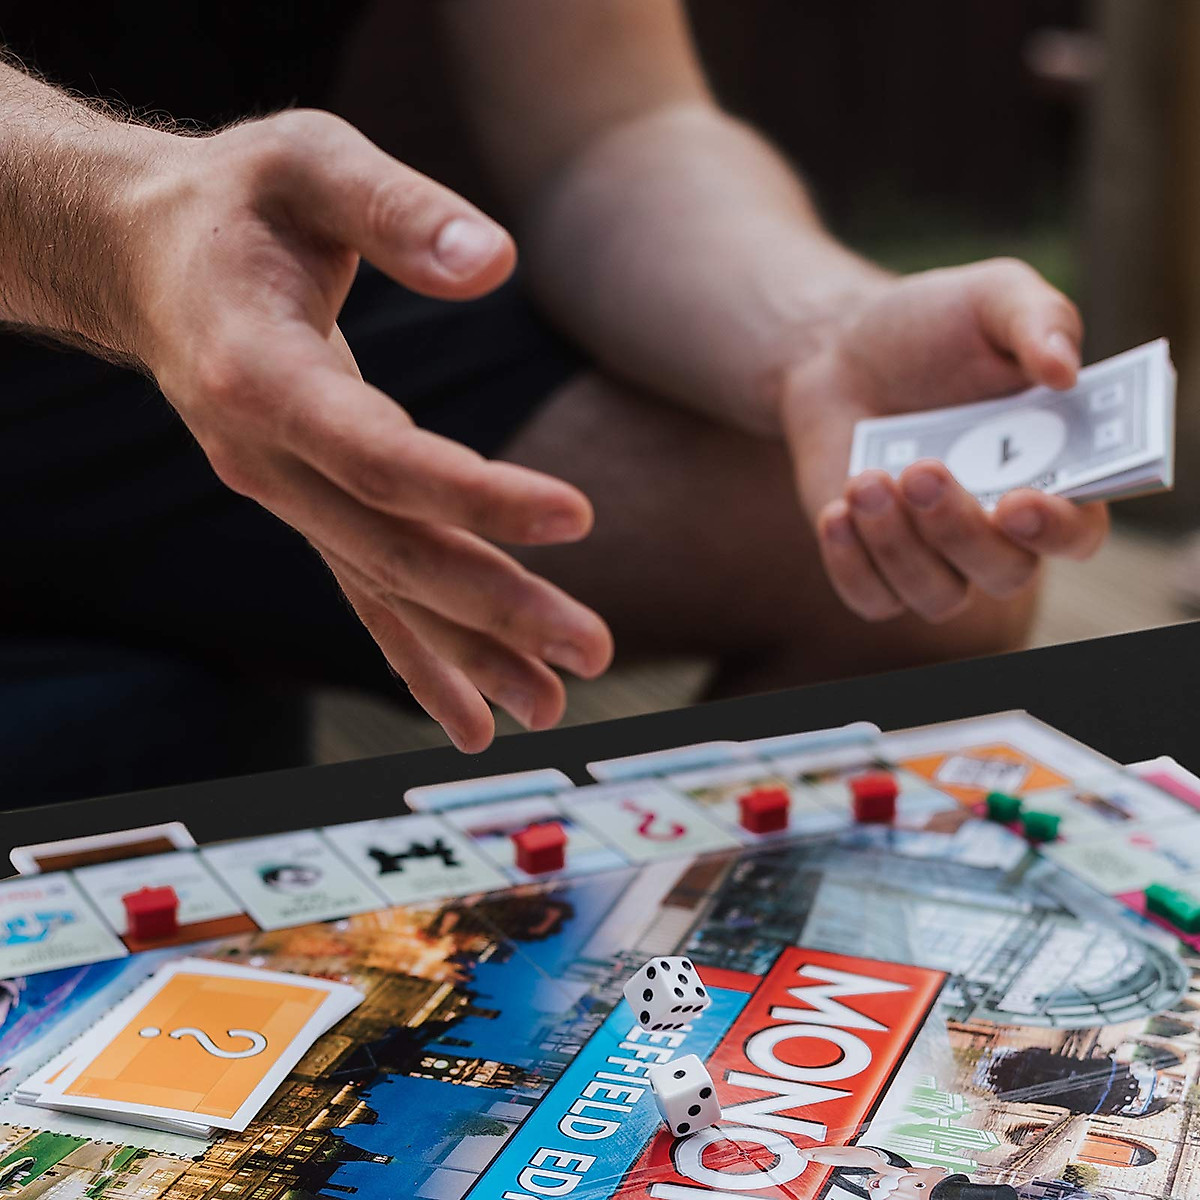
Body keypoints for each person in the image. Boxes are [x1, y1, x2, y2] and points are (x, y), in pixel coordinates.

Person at [0, 2, 1108, 799]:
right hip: (101, 245)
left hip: (252, 284)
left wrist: (818, 333)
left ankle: (666, 1018)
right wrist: (120, 222)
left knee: (896, 542)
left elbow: (613, 127)